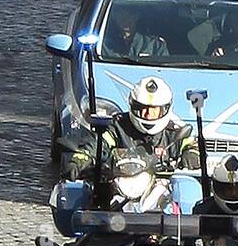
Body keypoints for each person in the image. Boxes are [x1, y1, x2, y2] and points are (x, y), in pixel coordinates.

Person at [68, 76, 200, 181]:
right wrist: (81, 159)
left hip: (162, 192)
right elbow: (98, 143)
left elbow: (191, 145)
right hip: (121, 185)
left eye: (154, 110)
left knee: (185, 197)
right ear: (133, 106)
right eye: (143, 109)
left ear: (165, 109)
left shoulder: (173, 132)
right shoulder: (118, 127)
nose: (148, 114)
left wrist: (192, 155)